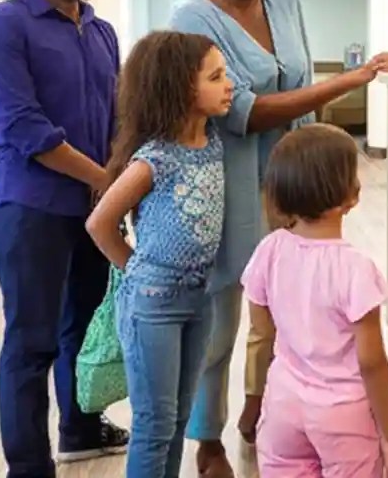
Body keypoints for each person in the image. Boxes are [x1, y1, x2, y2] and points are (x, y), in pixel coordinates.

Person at [163, 0, 388, 477]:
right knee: (227, 315)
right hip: (234, 184)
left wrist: (324, 160)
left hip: (295, 181)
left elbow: (298, 84)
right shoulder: (191, 20)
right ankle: (207, 436)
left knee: (292, 306)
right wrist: (350, 80)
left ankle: (265, 405)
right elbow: (244, 112)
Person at [0, 0, 129, 477]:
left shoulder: (100, 30)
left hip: (92, 207)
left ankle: (80, 430)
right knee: (31, 341)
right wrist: (105, 180)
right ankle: (29, 466)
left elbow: (116, 116)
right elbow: (25, 128)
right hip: (30, 206)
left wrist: (117, 183)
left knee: (82, 329)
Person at [85, 31, 233, 478]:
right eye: (216, 77)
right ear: (180, 89)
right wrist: (137, 272)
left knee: (178, 419)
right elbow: (99, 223)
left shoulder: (213, 142)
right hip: (154, 302)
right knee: (154, 425)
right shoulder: (155, 159)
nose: (229, 85)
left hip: (199, 298)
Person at [242, 124, 388, 478]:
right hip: (343, 416)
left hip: (282, 404)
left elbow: (262, 330)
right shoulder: (356, 270)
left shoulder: (269, 250)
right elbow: (372, 363)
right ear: (351, 195)